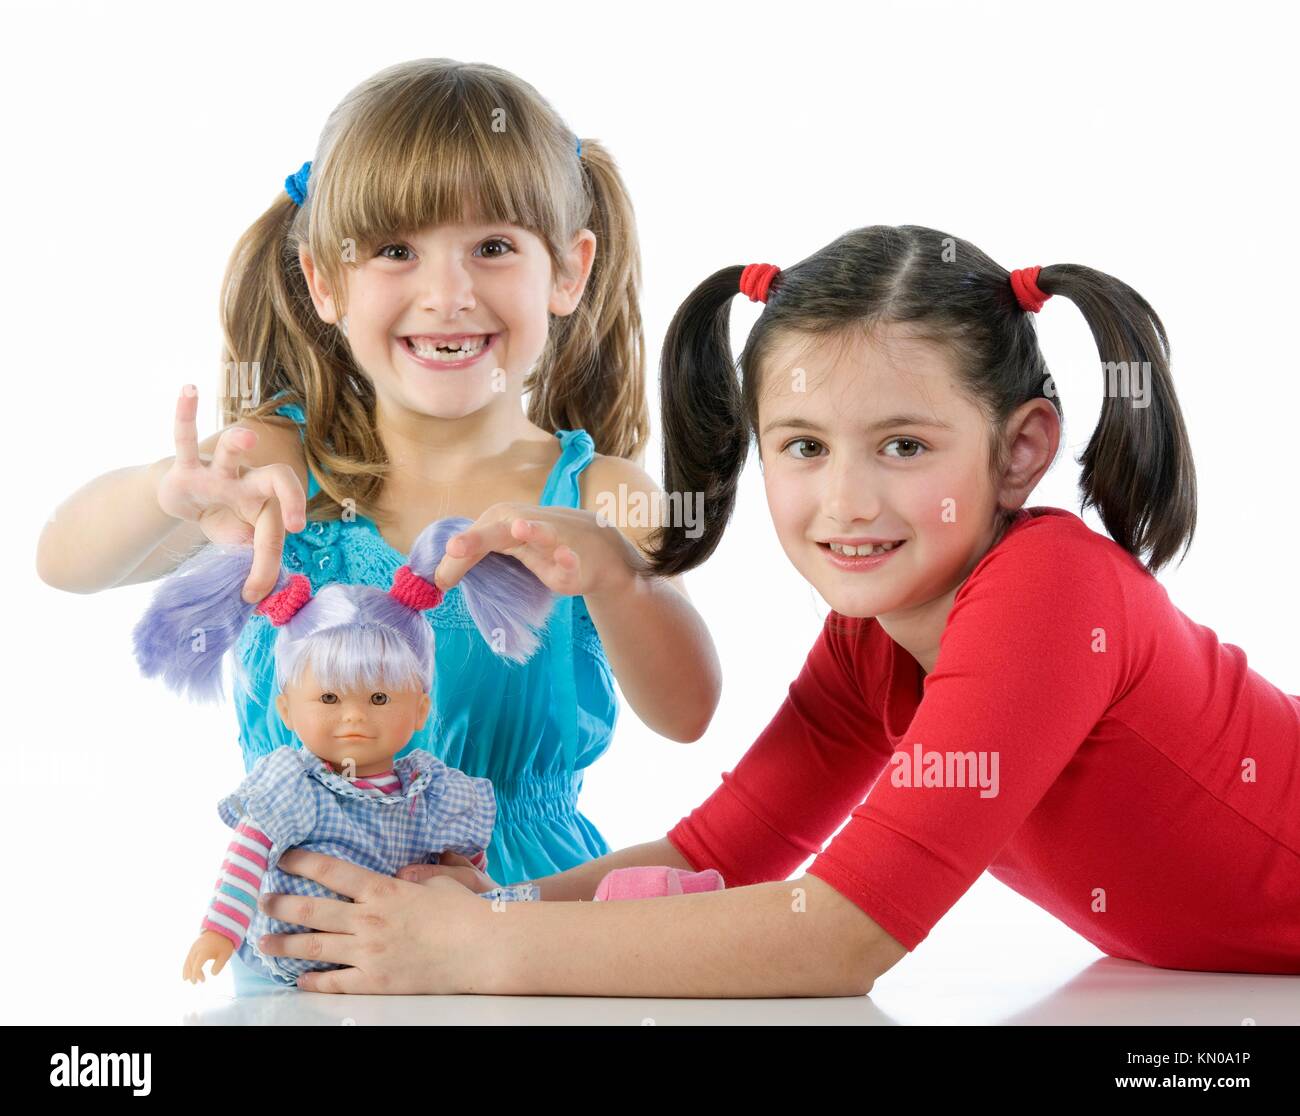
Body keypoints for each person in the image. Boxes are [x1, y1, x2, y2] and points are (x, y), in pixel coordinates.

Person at [256, 225, 1298, 995]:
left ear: (1020, 450)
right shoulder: (871, 640)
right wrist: (488, 908)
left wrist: (471, 950)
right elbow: (713, 855)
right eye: (803, 446)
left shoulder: (1051, 592)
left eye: (902, 446)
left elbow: (840, 934)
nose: (845, 502)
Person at [36, 58, 722, 889]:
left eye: (494, 247)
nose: (448, 293)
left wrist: (617, 582)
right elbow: (62, 564)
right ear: (325, 281)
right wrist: (163, 494)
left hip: (529, 936)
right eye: (396, 250)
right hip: (311, 951)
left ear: (569, 271)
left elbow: (688, 714)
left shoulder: (599, 497)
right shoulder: (279, 474)